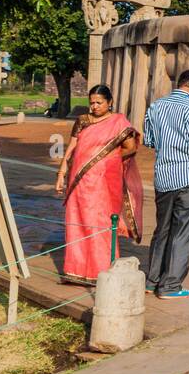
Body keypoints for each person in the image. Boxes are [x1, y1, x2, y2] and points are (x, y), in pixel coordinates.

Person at [54, 85, 143, 285]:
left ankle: (100, 271)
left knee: (99, 223)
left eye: (99, 102)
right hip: (79, 182)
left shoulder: (118, 123)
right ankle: (75, 270)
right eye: (91, 102)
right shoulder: (83, 121)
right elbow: (72, 147)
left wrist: (108, 160)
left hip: (104, 182)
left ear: (109, 102)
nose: (94, 106)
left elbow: (130, 147)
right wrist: (61, 172)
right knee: (76, 222)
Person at [142, 70, 189, 299]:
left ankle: (152, 279)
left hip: (163, 177)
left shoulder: (156, 106)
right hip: (188, 176)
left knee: (162, 229)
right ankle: (170, 286)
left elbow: (149, 140)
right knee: (183, 232)